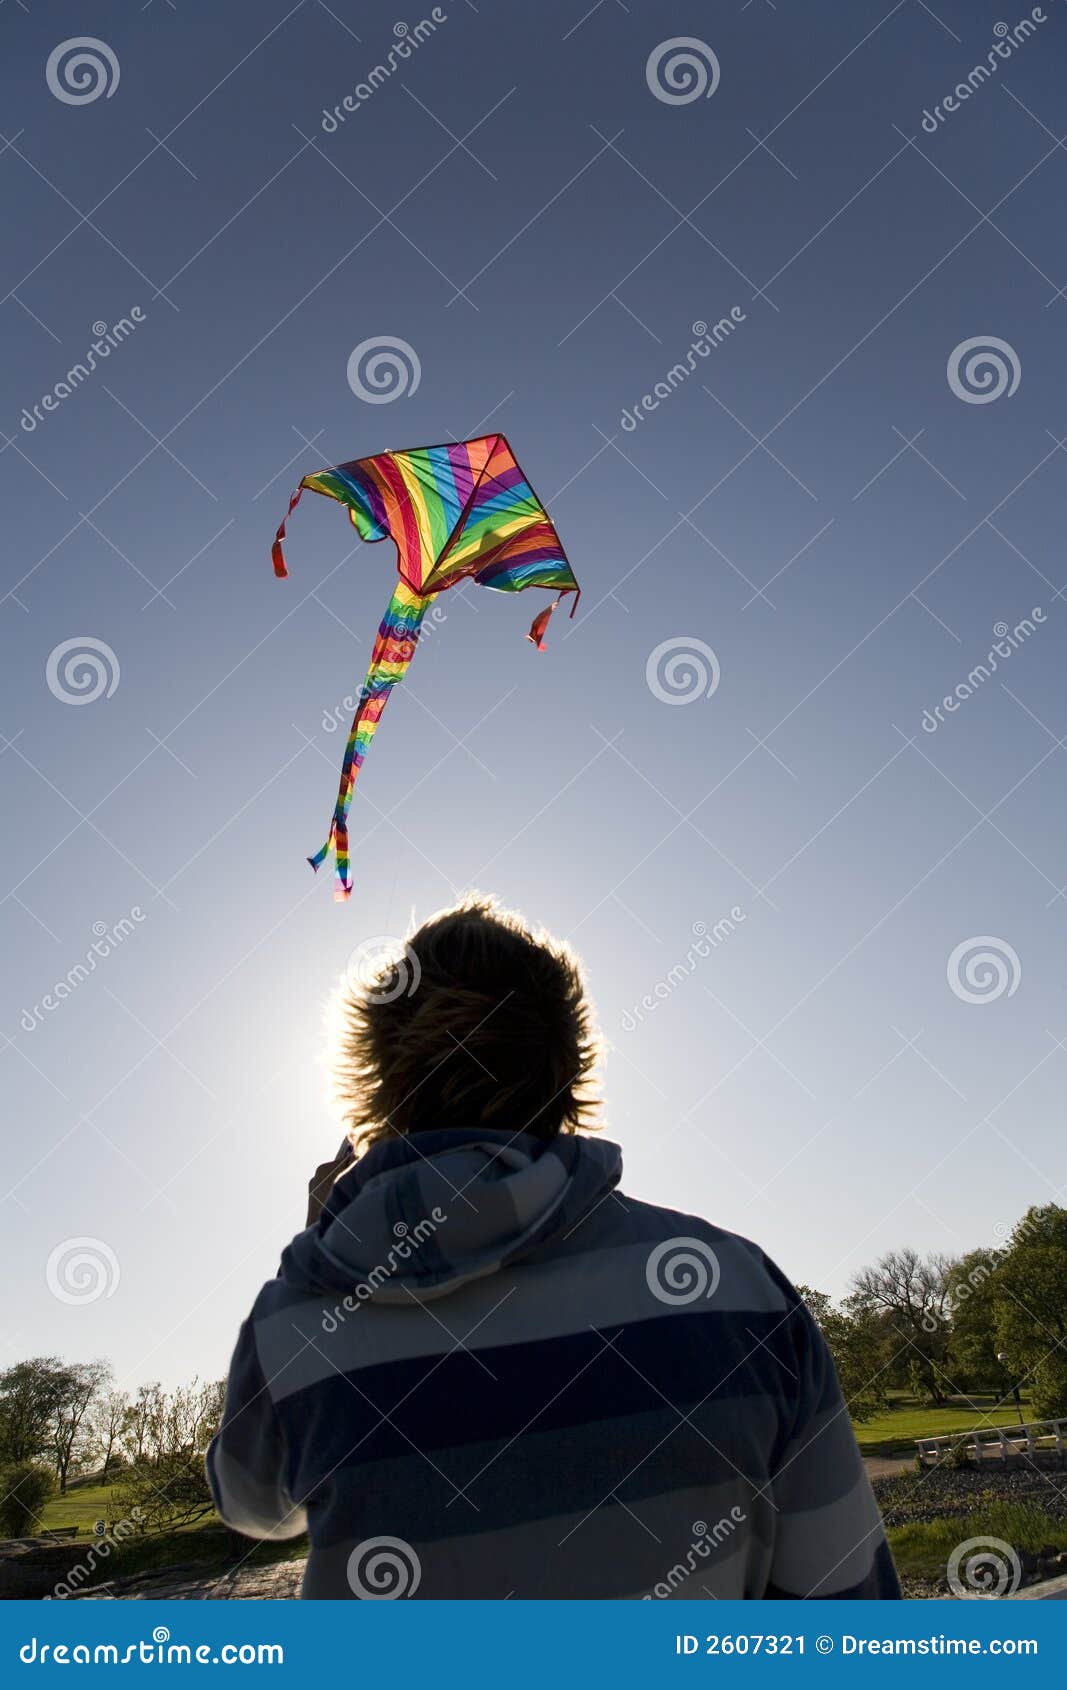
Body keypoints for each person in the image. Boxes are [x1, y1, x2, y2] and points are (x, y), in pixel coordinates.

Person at [207, 896, 900, 1600]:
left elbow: (255, 1508)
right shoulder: (739, 1291)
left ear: (373, 1074)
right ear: (569, 1063)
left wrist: (320, 1258)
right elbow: (846, 1607)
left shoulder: (296, 1326)